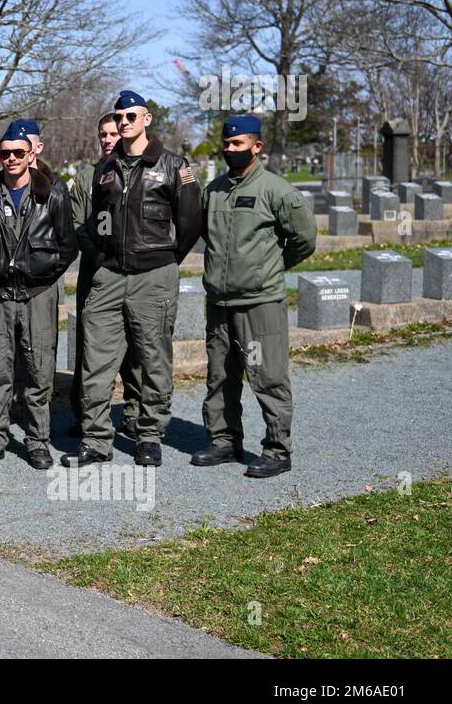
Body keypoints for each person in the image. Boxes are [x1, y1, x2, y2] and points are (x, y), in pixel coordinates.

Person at [67, 91, 202, 467]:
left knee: (152, 358)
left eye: (131, 115)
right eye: (119, 116)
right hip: (108, 276)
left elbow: (190, 221)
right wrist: (99, 258)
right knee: (96, 360)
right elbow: (91, 221)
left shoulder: (174, 166)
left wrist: (165, 258)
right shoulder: (104, 170)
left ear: (147, 119)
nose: (123, 122)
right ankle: (95, 439)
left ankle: (149, 435)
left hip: (153, 276)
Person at [195, 115, 316, 478]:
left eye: (238, 144)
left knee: (267, 375)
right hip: (219, 303)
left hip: (259, 304)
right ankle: (223, 441)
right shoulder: (214, 190)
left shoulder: (278, 191)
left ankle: (278, 449)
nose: (230, 150)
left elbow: (304, 239)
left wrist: (271, 269)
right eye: (227, 144)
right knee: (220, 376)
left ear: (257, 147)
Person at [0, 122, 78, 469]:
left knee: (39, 370)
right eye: (5, 153)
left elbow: (68, 245)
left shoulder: (53, 194)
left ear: (32, 154)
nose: (12, 158)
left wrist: (43, 274)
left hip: (38, 295)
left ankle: (37, 440)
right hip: (0, 294)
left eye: (19, 152)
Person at [68, 112, 141, 434]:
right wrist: (99, 255)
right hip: (96, 270)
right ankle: (87, 415)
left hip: (135, 273)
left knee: (136, 345)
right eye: (103, 135)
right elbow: (77, 222)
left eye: (113, 134)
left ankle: (135, 412)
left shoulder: (139, 172)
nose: (109, 140)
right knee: (92, 345)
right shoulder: (88, 176)